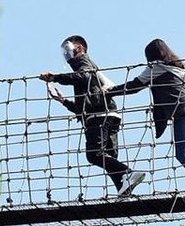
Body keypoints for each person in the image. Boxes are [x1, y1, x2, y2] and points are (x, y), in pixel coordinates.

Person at [106, 38, 185, 192]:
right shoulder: (178, 67)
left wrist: (110, 91)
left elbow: (134, 86)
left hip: (183, 112)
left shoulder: (157, 67)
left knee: (182, 154)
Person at [39, 35, 147, 198]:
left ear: (80, 48)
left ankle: (128, 173)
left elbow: (84, 77)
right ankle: (124, 187)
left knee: (94, 154)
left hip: (100, 116)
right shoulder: (83, 70)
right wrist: (63, 100)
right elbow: (82, 107)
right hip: (107, 114)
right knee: (108, 157)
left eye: (69, 51)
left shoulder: (84, 63)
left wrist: (56, 77)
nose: (67, 57)